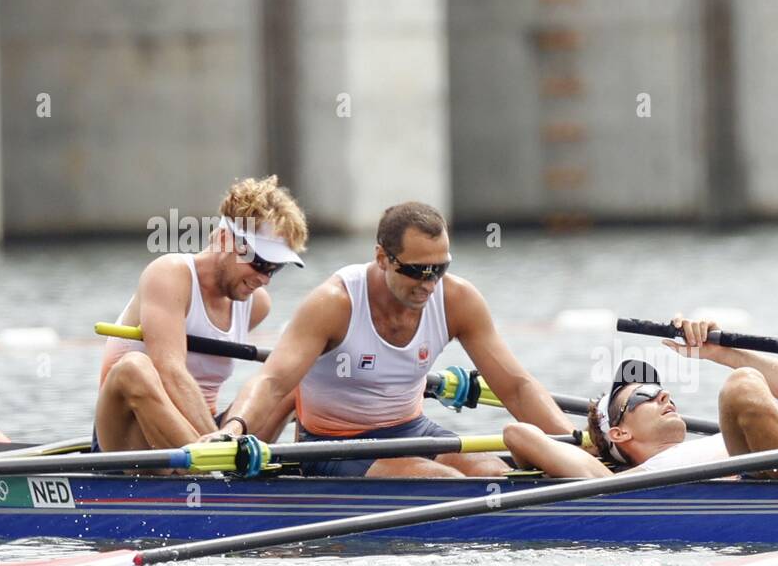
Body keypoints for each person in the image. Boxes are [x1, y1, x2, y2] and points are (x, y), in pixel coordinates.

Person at [210, 201, 571, 478]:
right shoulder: (334, 303)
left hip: (412, 430)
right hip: (334, 445)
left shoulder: (458, 300)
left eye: (439, 269)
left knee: (493, 473)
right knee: (440, 480)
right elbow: (272, 381)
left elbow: (517, 387)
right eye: (416, 271)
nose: (429, 284)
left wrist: (574, 442)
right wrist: (232, 431)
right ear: (382, 257)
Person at [94, 176, 307, 452]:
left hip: (201, 436)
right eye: (260, 262)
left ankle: (296, 472)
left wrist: (224, 436)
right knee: (134, 367)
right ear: (223, 239)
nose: (264, 279)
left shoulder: (257, 304)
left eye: (275, 268)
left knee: (294, 378)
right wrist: (224, 447)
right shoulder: (169, 275)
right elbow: (169, 370)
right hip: (130, 436)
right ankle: (223, 468)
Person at [503, 316, 778, 479]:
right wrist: (589, 447)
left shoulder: (737, 438)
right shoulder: (631, 483)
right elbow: (516, 434)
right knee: (742, 386)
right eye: (645, 395)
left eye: (660, 389)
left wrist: (722, 354)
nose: (663, 394)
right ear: (619, 433)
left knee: (743, 382)